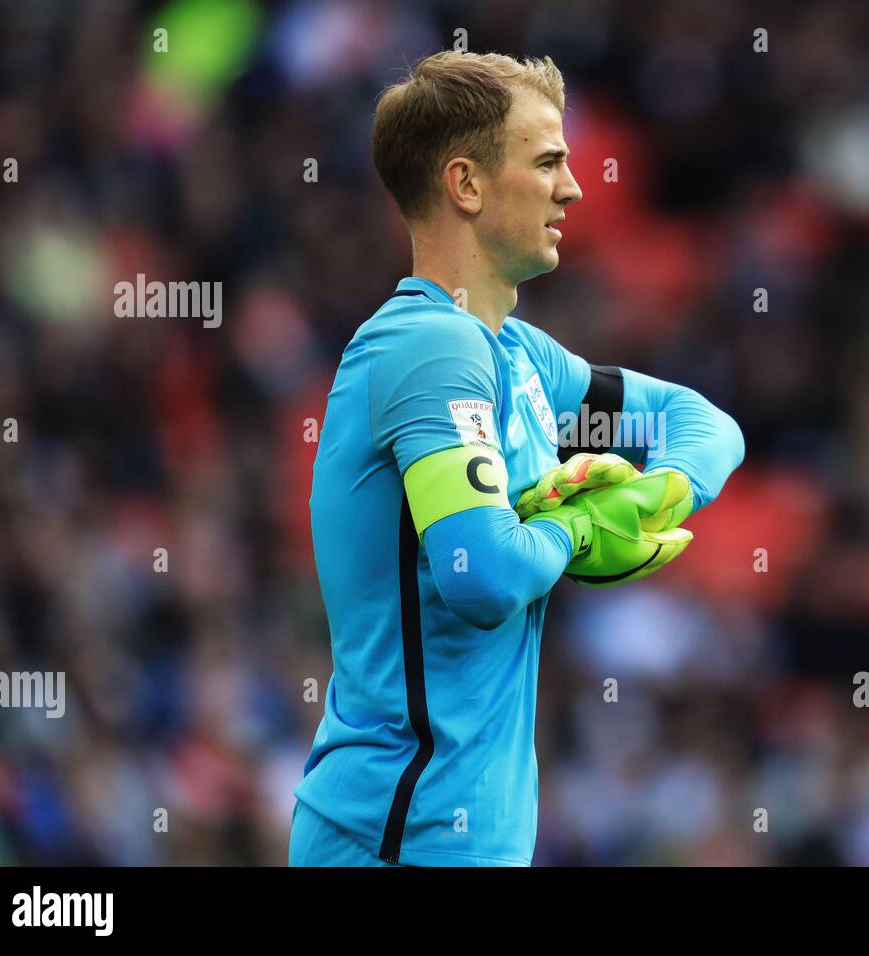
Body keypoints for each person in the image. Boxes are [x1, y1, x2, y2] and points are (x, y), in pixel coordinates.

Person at [288, 50, 744, 866]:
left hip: (469, 837)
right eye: (547, 163)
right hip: (397, 834)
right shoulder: (428, 349)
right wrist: (577, 529)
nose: (573, 188)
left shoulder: (525, 361)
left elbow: (702, 420)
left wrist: (659, 491)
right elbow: (482, 573)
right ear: (465, 185)